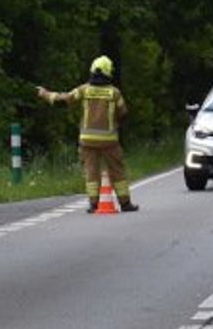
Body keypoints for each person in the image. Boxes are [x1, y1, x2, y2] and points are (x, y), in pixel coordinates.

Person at [38, 55, 139, 213]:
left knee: (91, 172)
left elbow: (62, 100)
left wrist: (45, 94)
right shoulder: (114, 93)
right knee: (117, 171)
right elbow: (124, 113)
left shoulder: (84, 90)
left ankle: (93, 204)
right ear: (108, 72)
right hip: (109, 140)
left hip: (87, 140)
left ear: (92, 71)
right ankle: (125, 203)